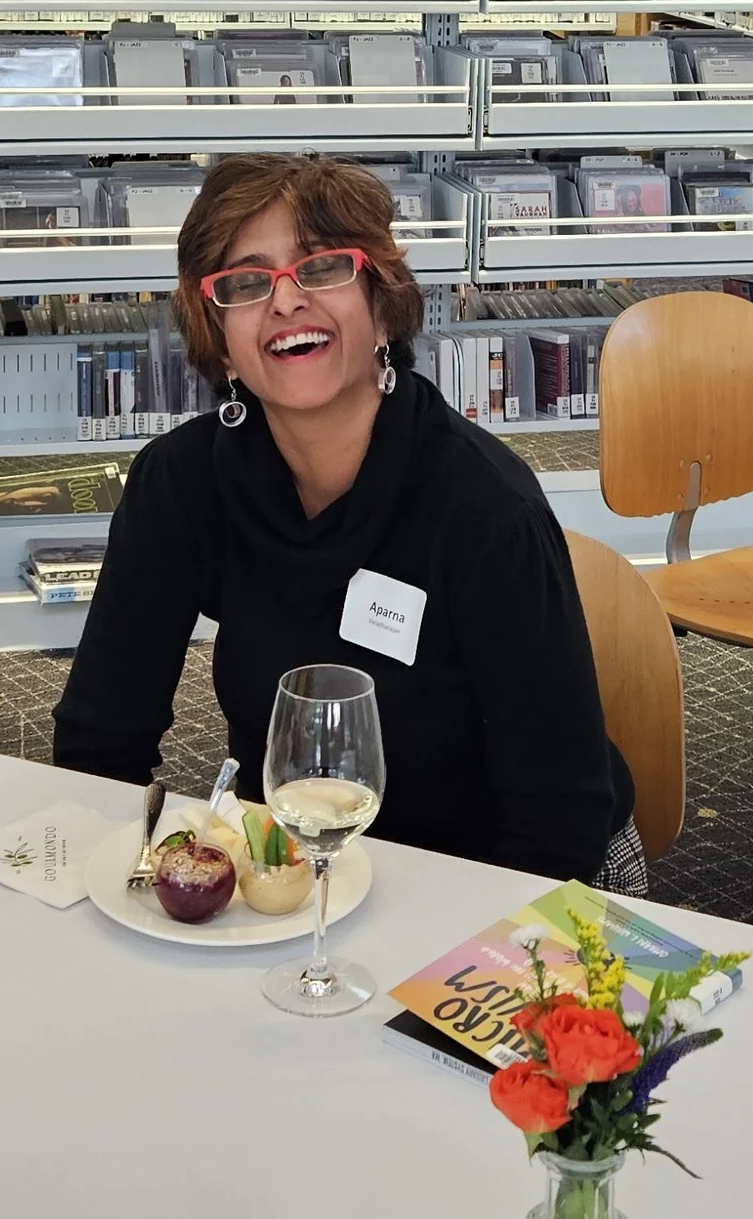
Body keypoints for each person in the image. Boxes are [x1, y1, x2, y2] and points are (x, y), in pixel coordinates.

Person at [54, 153, 639, 883]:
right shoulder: (181, 483)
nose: (286, 301)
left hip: (497, 874)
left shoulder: (486, 510)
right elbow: (99, 741)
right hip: (294, 868)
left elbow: (561, 821)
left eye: (322, 268)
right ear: (219, 337)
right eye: (247, 282)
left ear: (384, 303)